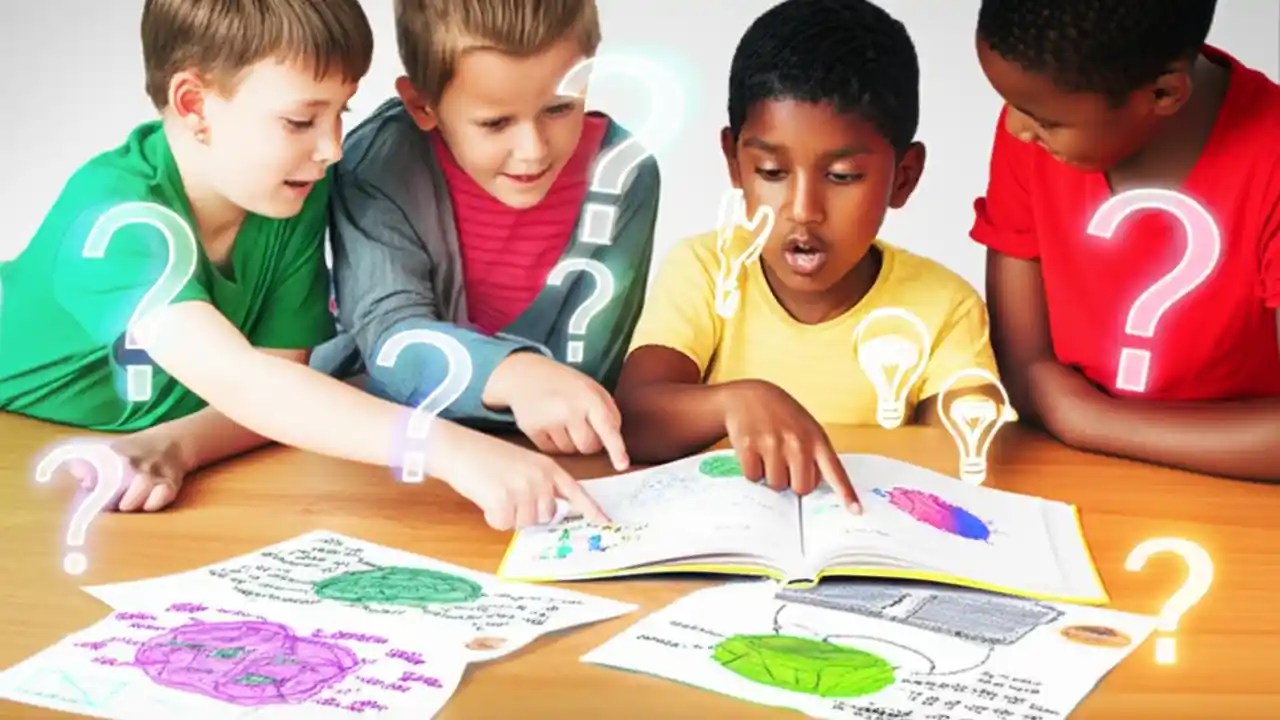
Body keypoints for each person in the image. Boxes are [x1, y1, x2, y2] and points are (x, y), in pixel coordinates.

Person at [0, 0, 607, 529]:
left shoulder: (289, 190)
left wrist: (175, 447)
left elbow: (279, 378)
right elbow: (250, 385)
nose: (333, 148)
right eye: (300, 120)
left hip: (98, 447)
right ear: (194, 104)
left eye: (340, 112)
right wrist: (453, 451)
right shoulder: (114, 223)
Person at [614, 0, 1001, 509]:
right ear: (735, 163)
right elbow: (636, 419)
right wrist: (737, 400)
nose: (803, 210)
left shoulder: (944, 307)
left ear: (902, 178)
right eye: (772, 172)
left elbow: (971, 455)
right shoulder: (707, 270)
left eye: (842, 177)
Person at [310, 0, 660, 471]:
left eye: (559, 108)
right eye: (496, 123)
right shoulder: (379, 163)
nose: (533, 151)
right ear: (422, 104)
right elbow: (388, 337)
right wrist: (516, 376)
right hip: (386, 451)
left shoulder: (622, 176)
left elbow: (585, 375)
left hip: (545, 464)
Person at [971, 0, 1280, 481]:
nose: (1014, 127)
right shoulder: (1036, 121)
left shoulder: (1270, 159)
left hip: (1234, 495)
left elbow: (1052, 398)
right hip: (1069, 474)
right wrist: (1060, 411)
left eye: (1045, 121)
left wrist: (1087, 420)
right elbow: (1025, 367)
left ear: (1164, 93)